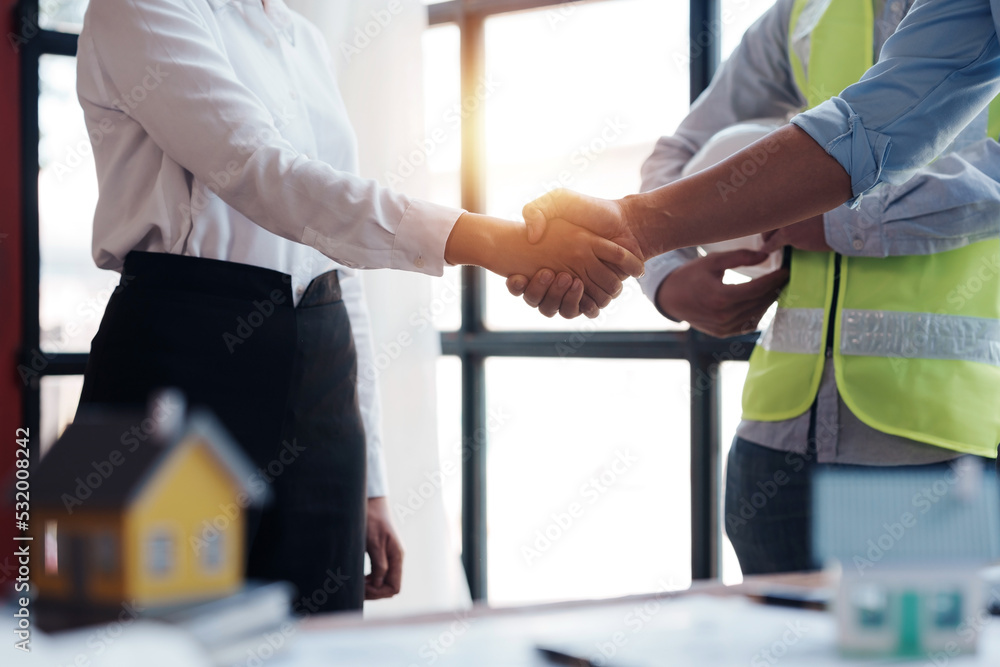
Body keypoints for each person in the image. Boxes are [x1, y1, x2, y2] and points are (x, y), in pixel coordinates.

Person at [73, 0, 643, 613]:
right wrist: (491, 241)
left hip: (323, 366)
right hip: (180, 354)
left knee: (326, 637)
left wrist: (371, 484)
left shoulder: (303, 39)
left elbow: (336, 261)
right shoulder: (140, 7)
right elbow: (260, 171)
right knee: (146, 630)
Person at [510, 0, 1000, 572]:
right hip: (773, 440)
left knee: (903, 635)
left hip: (931, 443)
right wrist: (665, 273)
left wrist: (842, 221)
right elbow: (687, 149)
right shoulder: (802, 12)